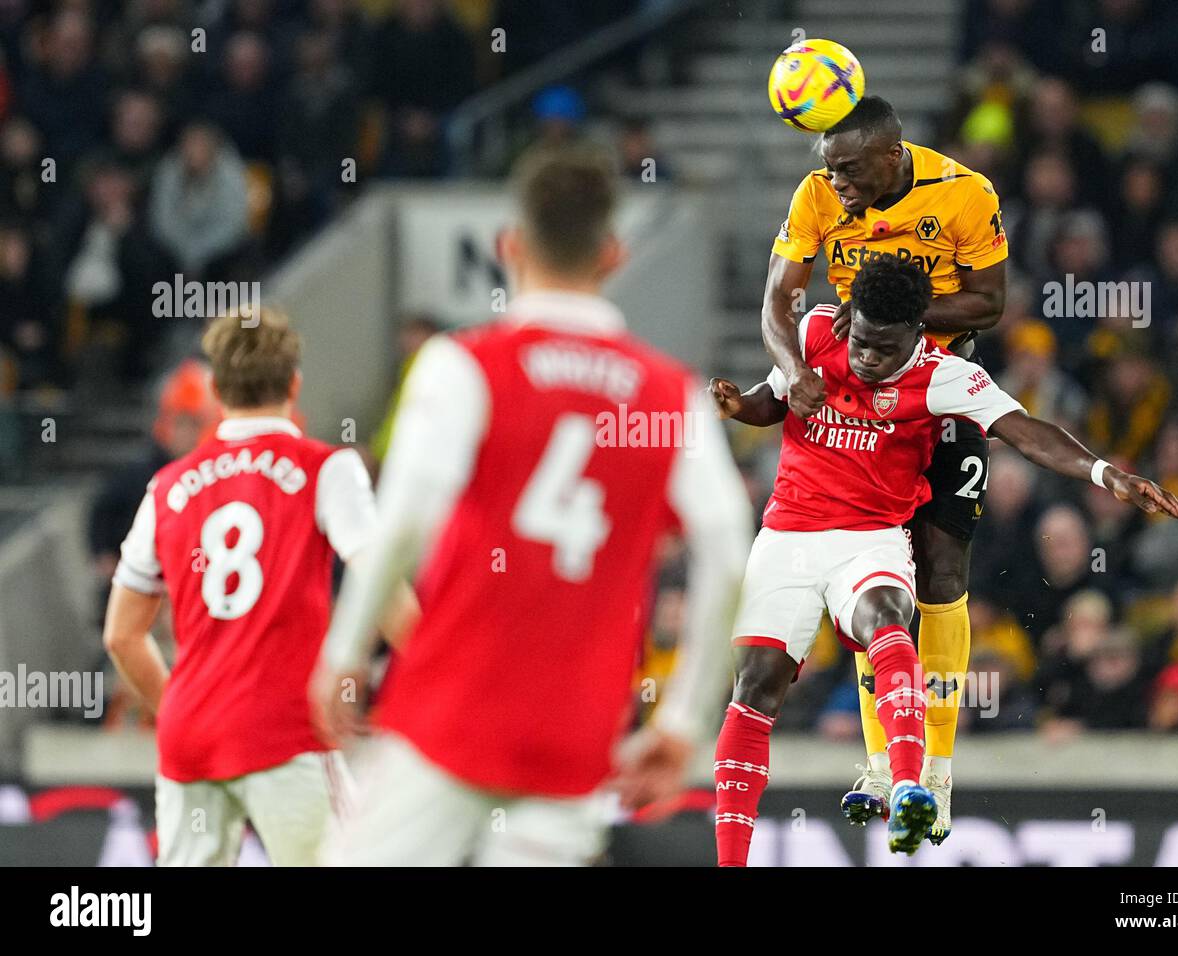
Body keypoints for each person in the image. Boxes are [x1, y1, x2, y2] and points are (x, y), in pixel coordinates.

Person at [312, 146, 752, 867]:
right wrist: (683, 719)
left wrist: (344, 653)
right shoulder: (671, 397)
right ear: (612, 255)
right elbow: (730, 551)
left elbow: (405, 520)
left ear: (508, 247)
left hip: (453, 710)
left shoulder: (467, 366)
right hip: (577, 733)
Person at [710, 254, 1178, 862]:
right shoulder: (814, 334)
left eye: (885, 349)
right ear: (850, 318)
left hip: (871, 537)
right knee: (753, 688)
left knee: (888, 619)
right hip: (787, 535)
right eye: (861, 342)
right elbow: (771, 400)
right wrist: (736, 405)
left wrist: (1105, 473)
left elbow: (1025, 430)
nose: (867, 359)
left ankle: (912, 784)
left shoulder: (945, 376)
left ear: (917, 333)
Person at [760, 94, 1008, 844]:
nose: (836, 184)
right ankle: (881, 762)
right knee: (876, 580)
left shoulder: (965, 194)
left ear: (890, 156)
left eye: (848, 169)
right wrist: (790, 367)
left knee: (941, 571)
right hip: (858, 395)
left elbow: (990, 304)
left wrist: (893, 314)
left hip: (942, 386)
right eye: (828, 169)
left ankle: (936, 766)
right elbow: (777, 299)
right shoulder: (815, 198)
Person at [102, 307, 414, 866]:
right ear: (295, 383)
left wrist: (178, 707)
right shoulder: (327, 468)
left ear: (216, 390)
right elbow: (379, 580)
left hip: (191, 736)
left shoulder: (167, 487)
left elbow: (122, 636)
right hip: (283, 729)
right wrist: (443, 671)